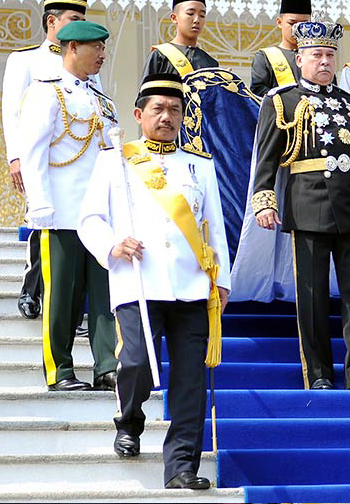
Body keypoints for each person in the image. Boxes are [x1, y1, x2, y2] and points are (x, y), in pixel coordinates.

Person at [77, 73, 230, 490]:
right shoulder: (115, 160)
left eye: (175, 110)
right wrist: (113, 244)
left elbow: (214, 227)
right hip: (137, 282)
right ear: (139, 114)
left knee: (190, 381)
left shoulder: (200, 166)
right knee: (137, 363)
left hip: (192, 286)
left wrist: (223, 282)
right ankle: (129, 419)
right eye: (159, 109)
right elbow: (89, 218)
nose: (167, 117)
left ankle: (182, 467)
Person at [252, 20, 350, 391]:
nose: (324, 61)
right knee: (313, 295)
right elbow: (267, 157)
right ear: (300, 58)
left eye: (330, 55)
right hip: (308, 205)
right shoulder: (282, 100)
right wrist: (263, 200)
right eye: (317, 55)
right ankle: (319, 373)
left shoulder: (348, 102)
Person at [20, 20, 119, 391]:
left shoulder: (102, 99)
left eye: (105, 48)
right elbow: (33, 154)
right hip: (61, 210)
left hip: (100, 215)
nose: (103, 55)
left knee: (105, 293)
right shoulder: (47, 93)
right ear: (73, 48)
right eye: (97, 47)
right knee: (62, 293)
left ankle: (106, 364)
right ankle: (59, 369)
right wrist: (40, 203)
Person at [1, 0, 92, 320]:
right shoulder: (24, 60)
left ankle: (73, 302)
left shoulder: (85, 62)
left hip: (76, 161)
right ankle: (32, 287)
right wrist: (16, 158)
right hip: (40, 158)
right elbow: (11, 112)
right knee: (39, 221)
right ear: (52, 22)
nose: (80, 28)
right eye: (74, 20)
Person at [142, 0, 218, 78]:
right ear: (174, 18)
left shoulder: (210, 63)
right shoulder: (160, 57)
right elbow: (146, 92)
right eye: (190, 13)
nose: (197, 20)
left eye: (202, 15)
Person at [250, 0, 312, 98]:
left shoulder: (317, 56)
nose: (297, 29)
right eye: (292, 23)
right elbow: (258, 92)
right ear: (279, 22)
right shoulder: (265, 57)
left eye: (303, 24)